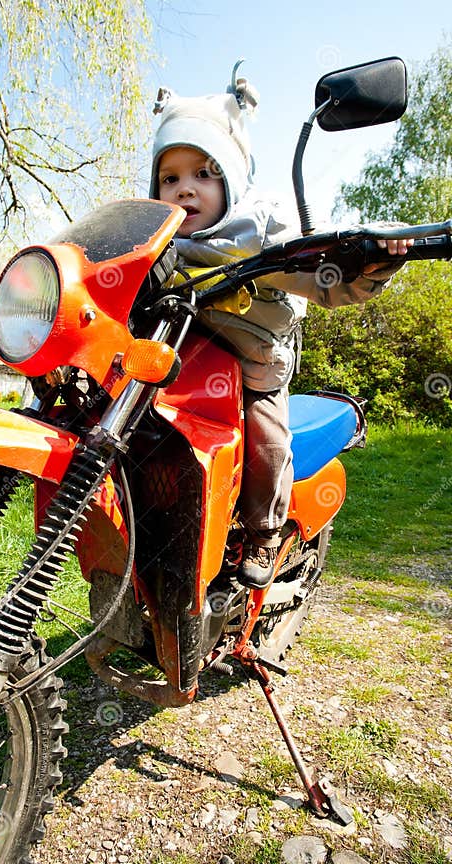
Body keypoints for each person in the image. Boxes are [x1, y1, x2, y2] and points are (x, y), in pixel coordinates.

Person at [149, 67, 412, 589]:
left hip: (253, 362)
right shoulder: (155, 240)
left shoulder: (258, 232)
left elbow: (330, 282)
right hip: (177, 363)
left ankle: (265, 529)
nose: (184, 190)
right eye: (170, 177)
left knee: (266, 436)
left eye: (204, 174)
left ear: (231, 179)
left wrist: (374, 259)